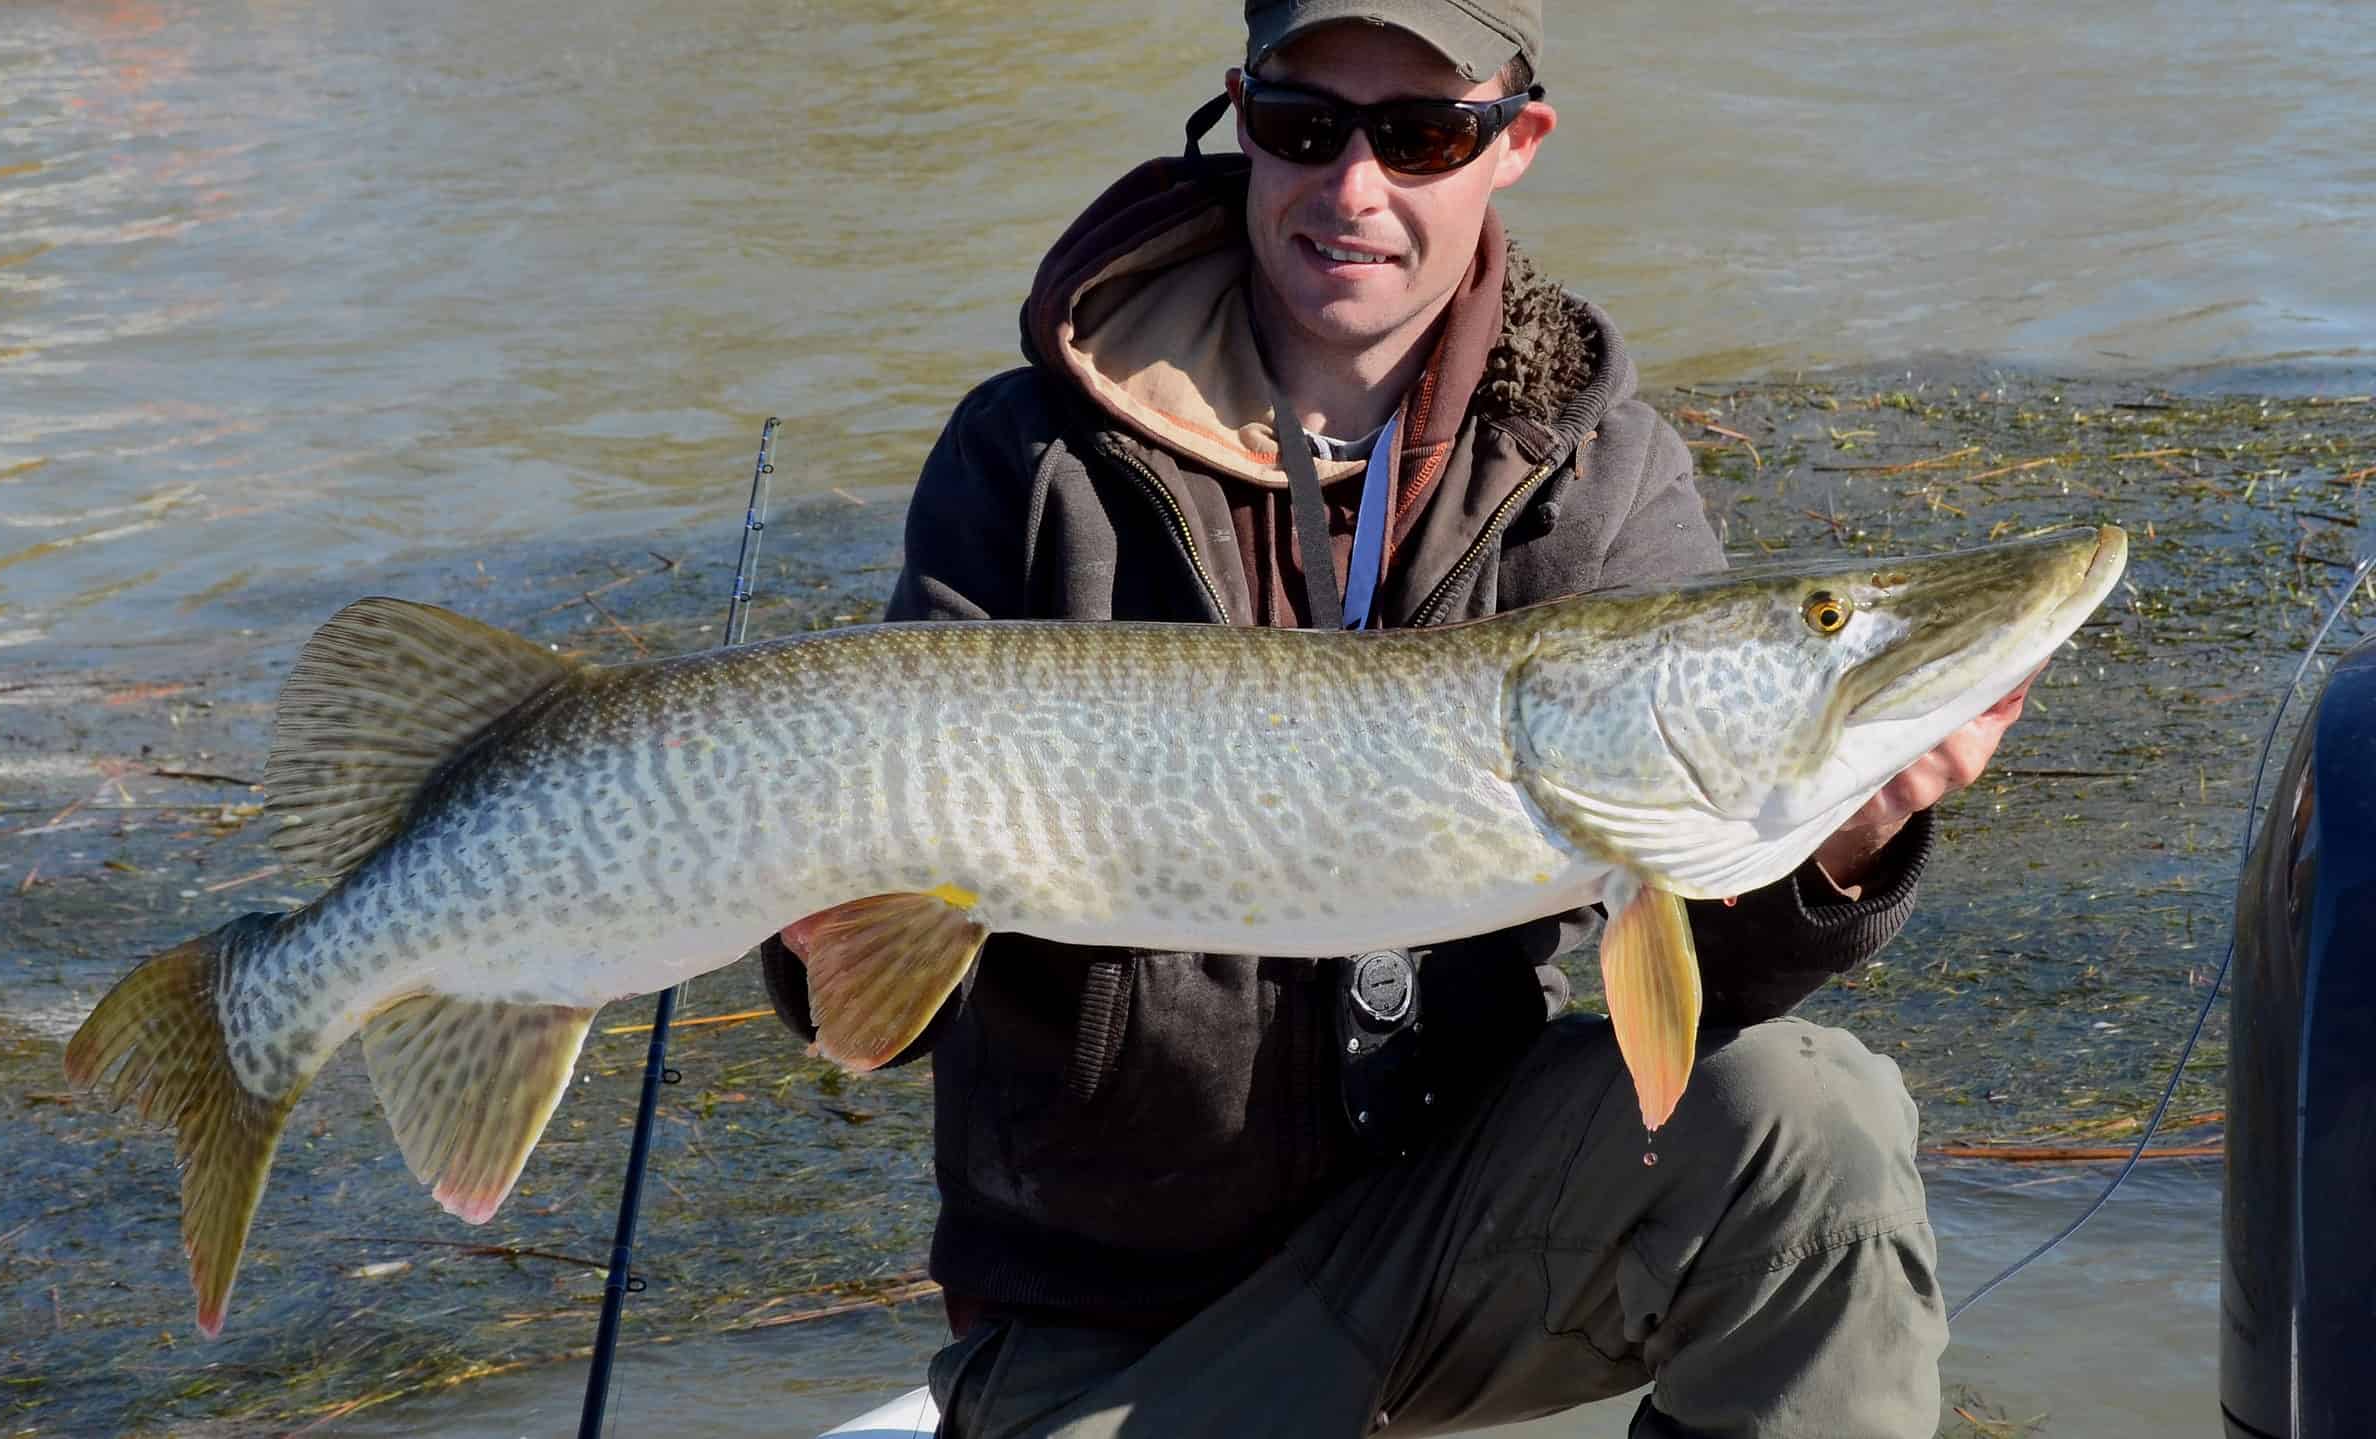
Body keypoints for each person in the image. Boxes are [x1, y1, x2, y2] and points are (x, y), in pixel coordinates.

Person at [763, 3, 2029, 1434]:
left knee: (1814, 1129)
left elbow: (1714, 968)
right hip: (1106, 1324)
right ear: (1243, 116)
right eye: (1305, 126)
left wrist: (1845, 833)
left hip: (1457, 1241)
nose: (1353, 187)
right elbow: (867, 1010)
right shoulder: (1032, 460)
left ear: (1515, 141)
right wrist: (819, 909)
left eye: (1423, 135)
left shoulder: (1595, 472)